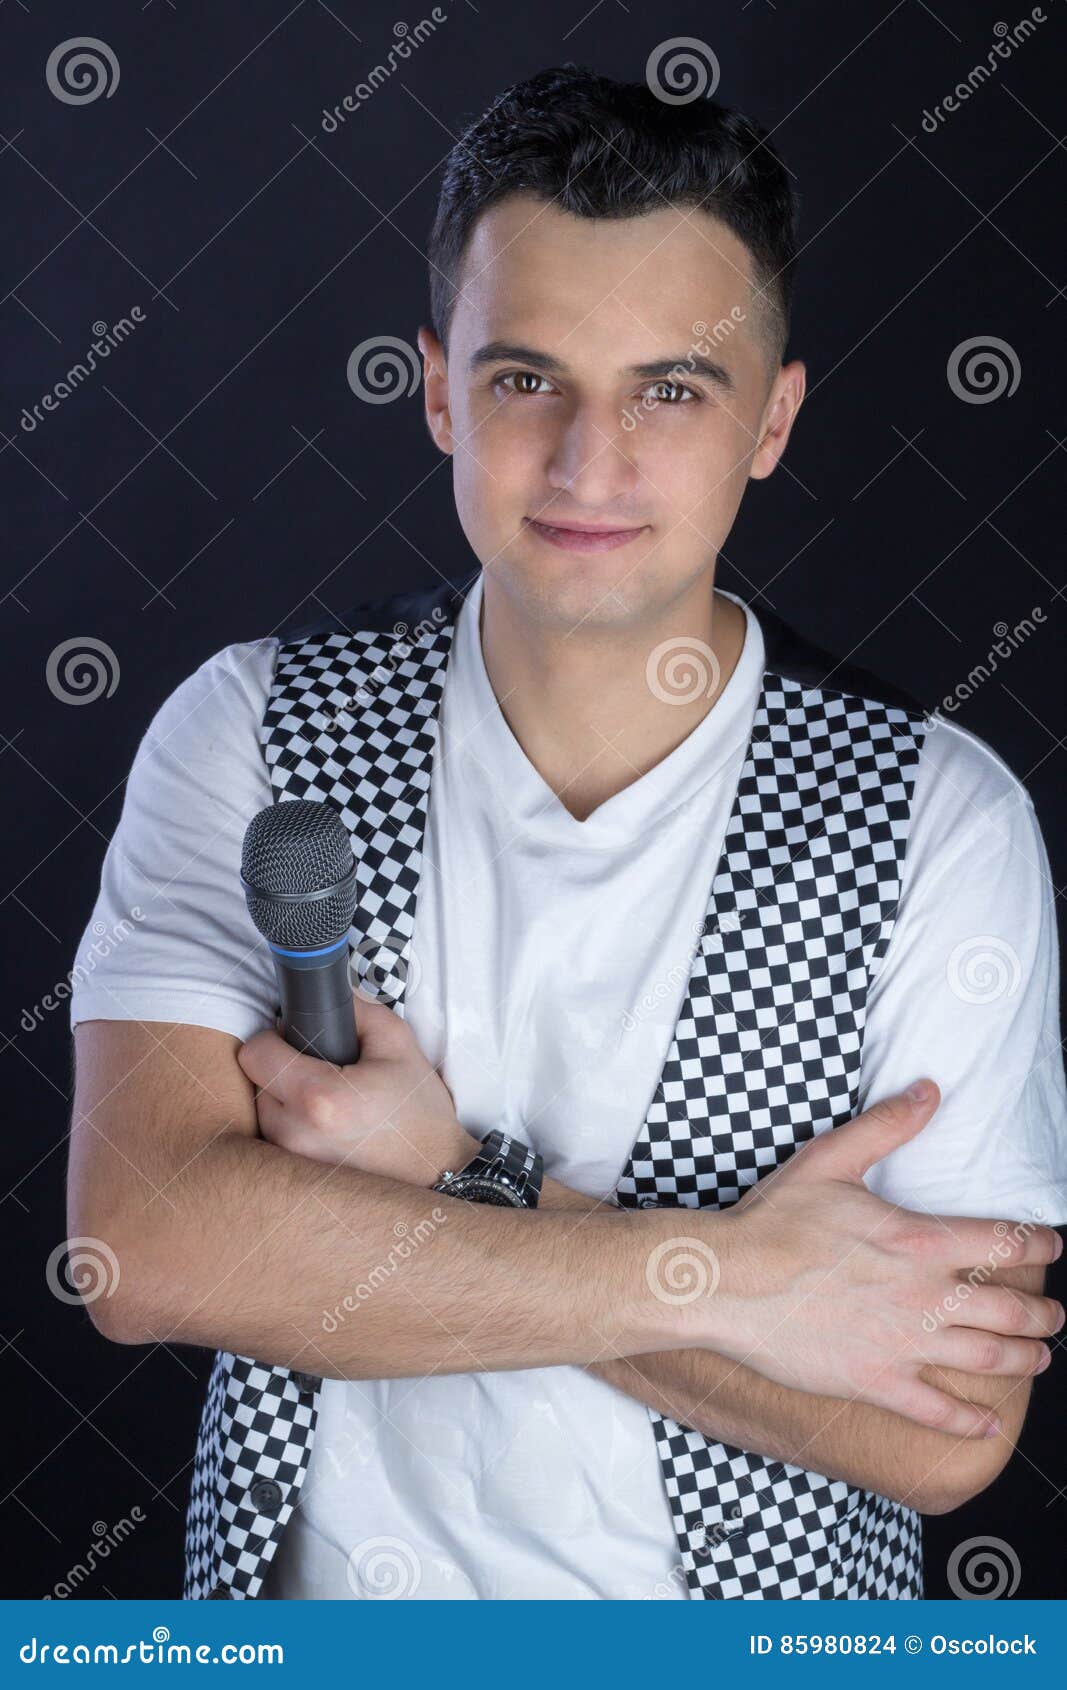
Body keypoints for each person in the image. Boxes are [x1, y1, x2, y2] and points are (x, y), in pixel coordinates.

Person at [67, 66, 1066, 1602]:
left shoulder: (939, 819)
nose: (591, 465)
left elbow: (945, 1429)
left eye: (672, 388)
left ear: (773, 420)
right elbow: (145, 1255)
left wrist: (457, 1178)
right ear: (439, 389)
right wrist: (747, 1281)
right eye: (530, 379)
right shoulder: (253, 732)